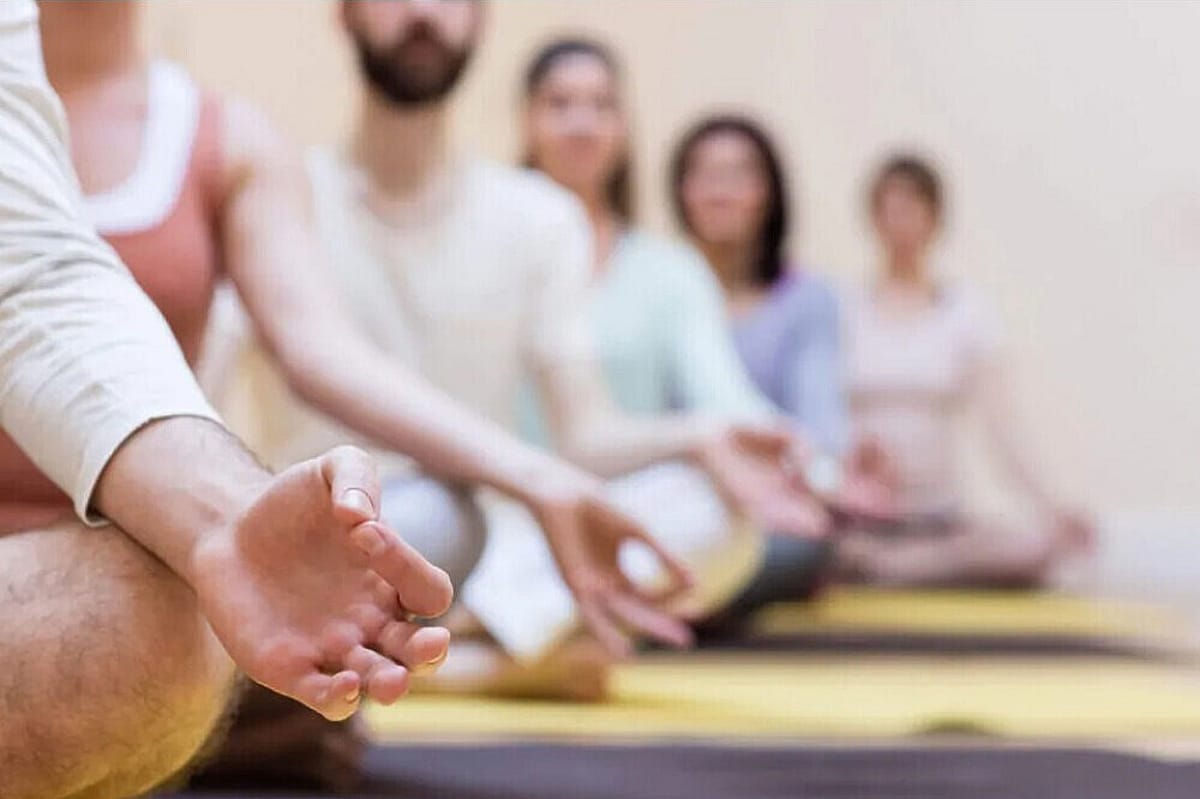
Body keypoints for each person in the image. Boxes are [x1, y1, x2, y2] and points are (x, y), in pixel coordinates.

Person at [29, 0, 703, 787]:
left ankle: (250, 706)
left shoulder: (227, 139)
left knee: (421, 525)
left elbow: (317, 347)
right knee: (167, 621)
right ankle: (256, 725)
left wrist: (543, 475)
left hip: (152, 554)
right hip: (88, 577)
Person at [241, 1, 828, 697]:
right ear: (345, 14)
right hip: (338, 550)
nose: (423, 10)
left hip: (490, 553)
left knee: (718, 514)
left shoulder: (541, 219)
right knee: (427, 516)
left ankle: (448, 655)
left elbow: (585, 432)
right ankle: (482, 664)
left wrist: (703, 435)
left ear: (482, 19)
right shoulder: (276, 194)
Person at [0, 2, 454, 796]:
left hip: (70, 542)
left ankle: (246, 688)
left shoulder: (224, 133)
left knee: (163, 621)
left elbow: (31, 279)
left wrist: (224, 527)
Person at [520, 43, 891, 620]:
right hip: (511, 505)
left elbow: (726, 400)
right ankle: (576, 620)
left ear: (624, 128)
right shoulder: (495, 245)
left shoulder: (668, 271)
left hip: (625, 505)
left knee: (734, 525)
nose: (582, 123)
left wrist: (824, 473)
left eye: (602, 105)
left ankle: (552, 620)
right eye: (560, 103)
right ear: (528, 120)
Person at [834, 154, 1094, 586]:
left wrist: (1051, 506)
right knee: (831, 551)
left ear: (935, 219)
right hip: (861, 519)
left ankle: (897, 571)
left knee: (1027, 549)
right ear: (873, 219)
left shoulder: (968, 312)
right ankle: (884, 566)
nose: (900, 223)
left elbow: (1003, 427)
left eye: (912, 209)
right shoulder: (841, 307)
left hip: (942, 521)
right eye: (889, 209)